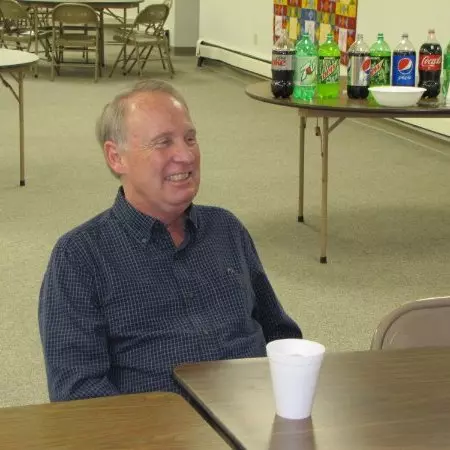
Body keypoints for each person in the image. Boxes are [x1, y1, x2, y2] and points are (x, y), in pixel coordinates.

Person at [38, 79, 302, 402]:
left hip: (257, 421)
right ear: (115, 157)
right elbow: (78, 395)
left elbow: (281, 335)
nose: (186, 155)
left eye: (190, 139)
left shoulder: (226, 229)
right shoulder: (80, 258)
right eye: (163, 142)